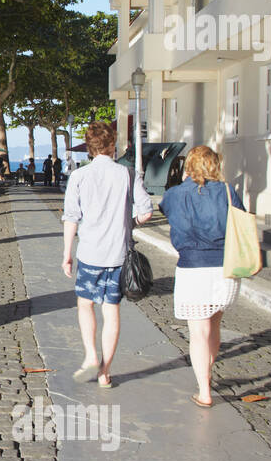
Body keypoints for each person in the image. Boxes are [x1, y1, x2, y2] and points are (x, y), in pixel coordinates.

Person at [61, 121, 153, 387]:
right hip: (118, 254)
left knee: (85, 304)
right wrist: (128, 222)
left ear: (90, 148)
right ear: (113, 145)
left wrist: (67, 253)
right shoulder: (128, 174)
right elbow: (145, 212)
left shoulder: (78, 177)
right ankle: (105, 371)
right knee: (111, 310)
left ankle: (90, 354)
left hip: (89, 253)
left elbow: (71, 218)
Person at [159, 145, 242, 408]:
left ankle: (204, 390)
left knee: (198, 332)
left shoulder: (175, 194)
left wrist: (185, 186)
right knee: (214, 325)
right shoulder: (228, 192)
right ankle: (206, 370)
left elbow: (166, 210)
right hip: (224, 268)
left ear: (188, 167)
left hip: (193, 268)